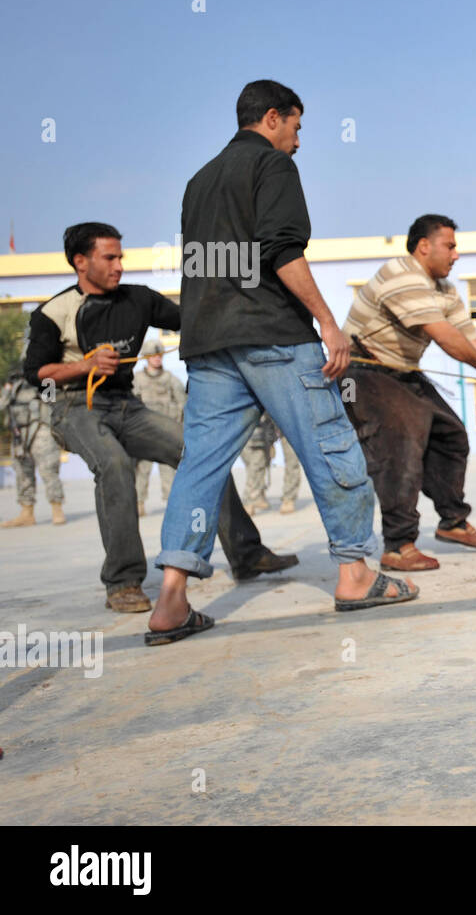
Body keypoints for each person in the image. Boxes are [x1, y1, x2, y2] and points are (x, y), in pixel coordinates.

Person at [157, 79, 417, 646]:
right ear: (273, 118)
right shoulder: (272, 167)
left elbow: (211, 261)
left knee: (199, 466)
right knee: (331, 446)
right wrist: (326, 320)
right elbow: (281, 250)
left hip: (209, 342)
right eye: (296, 128)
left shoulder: (198, 180)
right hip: (272, 335)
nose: (298, 142)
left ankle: (171, 598)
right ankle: (354, 574)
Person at [22, 222, 298, 614]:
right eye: (110, 257)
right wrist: (85, 367)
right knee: (114, 465)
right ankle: (123, 582)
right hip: (74, 407)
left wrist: (241, 302)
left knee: (200, 453)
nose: (119, 266)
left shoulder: (139, 299)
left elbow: (192, 319)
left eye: (121, 257)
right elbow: (37, 375)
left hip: (127, 406)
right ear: (81, 262)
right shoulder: (54, 312)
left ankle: (248, 554)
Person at [340, 214, 476, 571]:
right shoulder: (401, 275)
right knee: (402, 441)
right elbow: (445, 337)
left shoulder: (444, 290)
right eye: (450, 246)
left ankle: (453, 522)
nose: (456, 254)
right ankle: (398, 545)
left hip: (401, 373)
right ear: (424, 246)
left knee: (451, 434)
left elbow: (473, 340)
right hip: (362, 372)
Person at [1, 363, 66, 527]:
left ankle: (57, 510)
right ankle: (26, 513)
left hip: (40, 431)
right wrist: (8, 386)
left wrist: (43, 379)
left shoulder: (45, 380)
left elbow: (52, 402)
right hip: (19, 435)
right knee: (22, 473)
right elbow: (2, 404)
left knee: (49, 470)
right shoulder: (14, 386)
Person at [132, 339, 186, 515]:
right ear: (146, 357)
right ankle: (139, 503)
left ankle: (172, 504)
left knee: (169, 470)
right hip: (144, 435)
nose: (157, 359)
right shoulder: (137, 380)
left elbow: (183, 404)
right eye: (153, 356)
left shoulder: (171, 379)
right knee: (142, 470)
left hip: (166, 434)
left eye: (160, 355)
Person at [240, 412, 301, 514]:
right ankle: (255, 495)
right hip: (262, 414)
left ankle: (289, 498)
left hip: (286, 412)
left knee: (291, 457)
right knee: (256, 457)